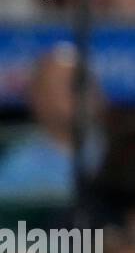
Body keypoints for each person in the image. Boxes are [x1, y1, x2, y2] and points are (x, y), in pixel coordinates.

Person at [0, 45, 105, 200]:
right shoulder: (18, 167)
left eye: (84, 83)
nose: (80, 93)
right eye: (69, 85)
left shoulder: (120, 151)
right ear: (37, 97)